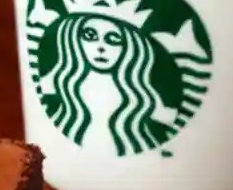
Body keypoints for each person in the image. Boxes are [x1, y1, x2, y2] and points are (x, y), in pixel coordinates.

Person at [34, 13, 179, 155]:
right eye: (90, 36)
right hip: (60, 160)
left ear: (130, 46)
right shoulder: (61, 79)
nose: (101, 47)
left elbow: (166, 117)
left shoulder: (140, 93)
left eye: (113, 39)